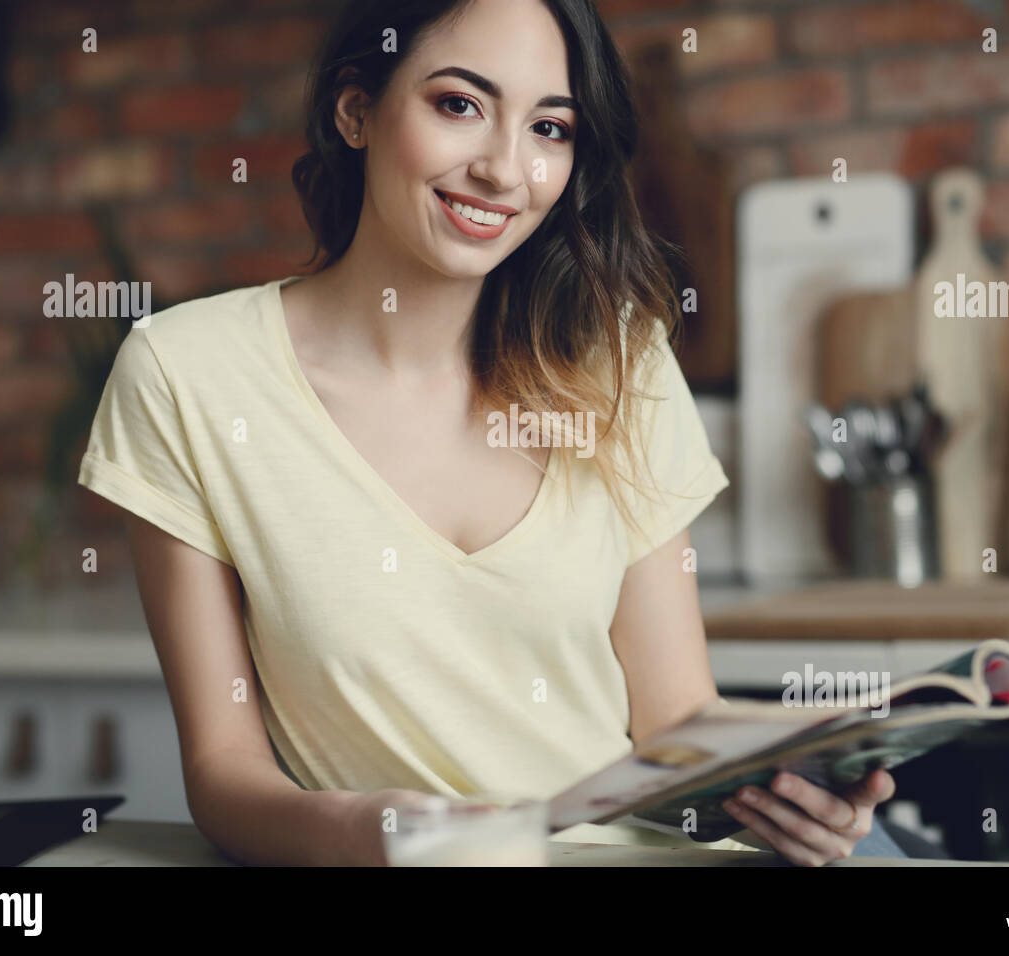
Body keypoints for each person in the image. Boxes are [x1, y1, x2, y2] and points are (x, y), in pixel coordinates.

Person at [77, 0, 908, 866]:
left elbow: (677, 723)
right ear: (355, 109)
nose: (507, 170)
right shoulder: (188, 374)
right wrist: (376, 831)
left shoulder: (619, 359)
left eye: (550, 128)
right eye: (459, 105)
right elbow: (224, 773)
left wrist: (799, 792)